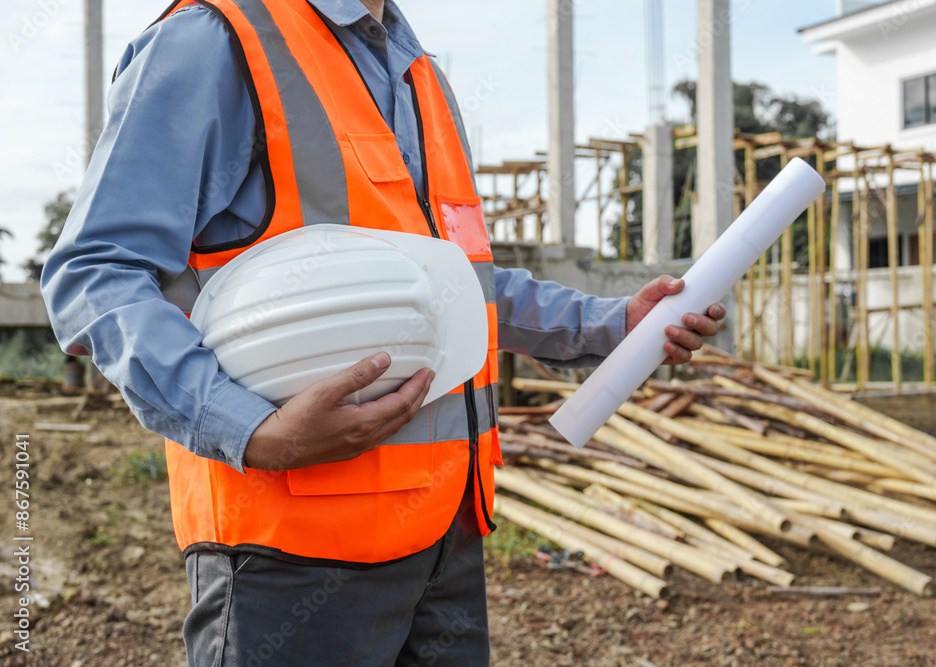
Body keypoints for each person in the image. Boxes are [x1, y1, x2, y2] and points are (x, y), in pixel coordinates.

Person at [41, 0, 725, 664]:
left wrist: (612, 324)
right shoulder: (214, 40)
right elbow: (96, 272)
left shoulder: (415, 70)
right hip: (291, 549)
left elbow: (452, 286)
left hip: (445, 538)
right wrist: (250, 429)